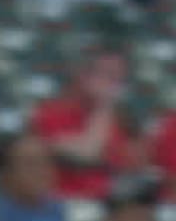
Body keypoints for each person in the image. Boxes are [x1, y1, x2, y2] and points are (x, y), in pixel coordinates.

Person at [31, 49, 138, 199]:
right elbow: (87, 153)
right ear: (83, 75)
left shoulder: (115, 123)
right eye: (107, 75)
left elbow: (119, 167)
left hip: (102, 202)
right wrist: (104, 105)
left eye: (118, 79)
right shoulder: (50, 113)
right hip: (60, 201)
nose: (112, 85)